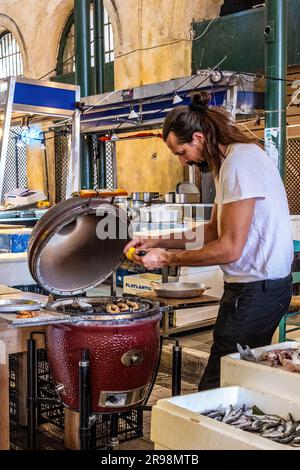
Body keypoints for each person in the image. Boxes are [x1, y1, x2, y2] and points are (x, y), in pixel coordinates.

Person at [124, 90, 293, 391]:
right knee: (237, 378)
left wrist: (166, 258)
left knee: (220, 385)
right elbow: (212, 231)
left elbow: (229, 248)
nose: (182, 160)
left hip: (257, 292)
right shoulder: (226, 162)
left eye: (180, 152)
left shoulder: (240, 164)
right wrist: (154, 240)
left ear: (198, 138)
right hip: (254, 289)